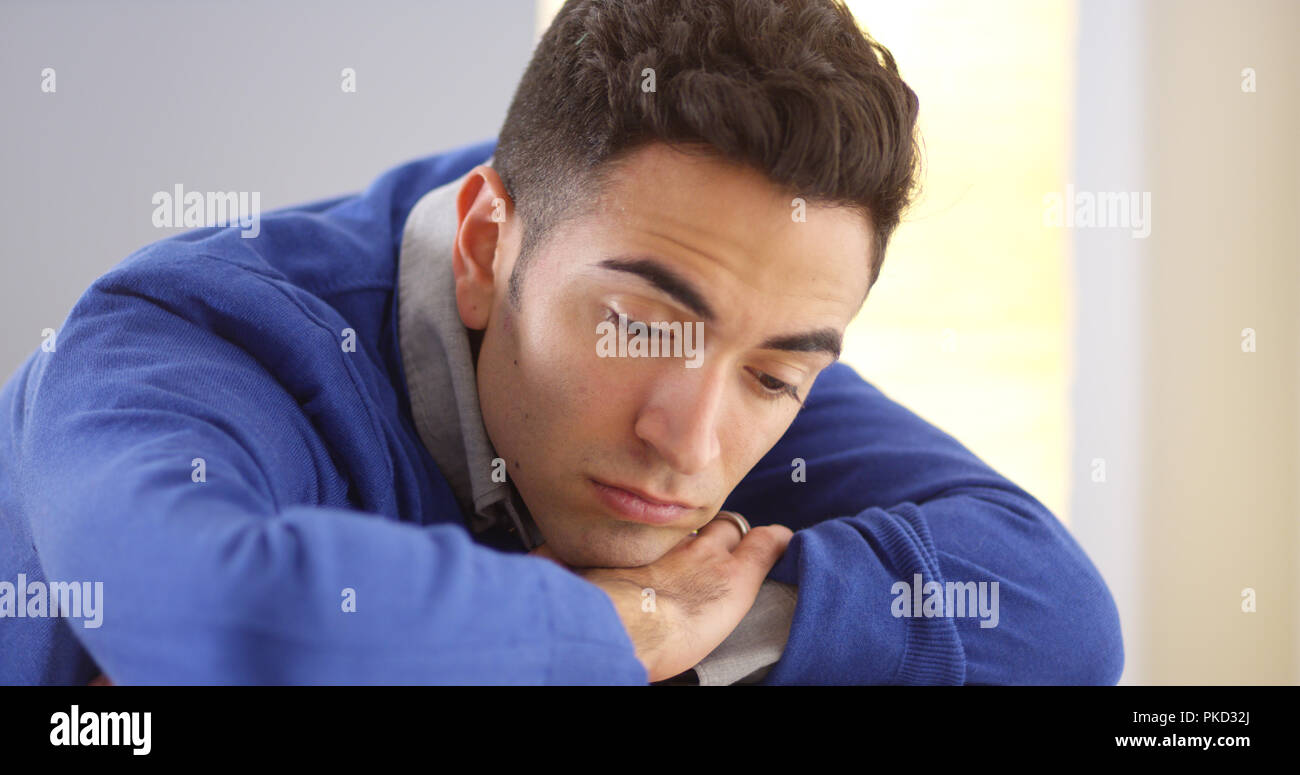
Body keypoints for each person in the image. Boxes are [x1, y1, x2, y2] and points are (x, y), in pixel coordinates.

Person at [0, 0, 1123, 685]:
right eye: (639, 326)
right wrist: (631, 623)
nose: (688, 442)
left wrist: (726, 620)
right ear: (489, 243)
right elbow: (229, 621)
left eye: (778, 373)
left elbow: (1060, 621)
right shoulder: (177, 342)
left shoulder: (723, 320)